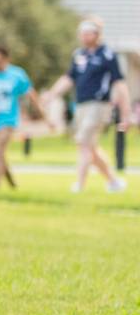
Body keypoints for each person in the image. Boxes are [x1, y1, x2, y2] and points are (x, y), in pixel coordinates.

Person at [42, 18, 132, 193]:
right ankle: (114, 182)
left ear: (97, 34)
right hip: (81, 105)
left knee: (83, 143)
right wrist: (52, 94)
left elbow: (120, 84)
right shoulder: (79, 55)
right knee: (90, 147)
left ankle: (80, 186)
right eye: (81, 33)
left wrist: (126, 113)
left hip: (98, 105)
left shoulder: (107, 55)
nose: (83, 36)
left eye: (87, 33)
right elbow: (69, 78)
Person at [0, 46, 38, 190]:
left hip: (9, 120)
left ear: (6, 59)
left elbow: (30, 93)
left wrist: (44, 115)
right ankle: (11, 182)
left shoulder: (17, 74)